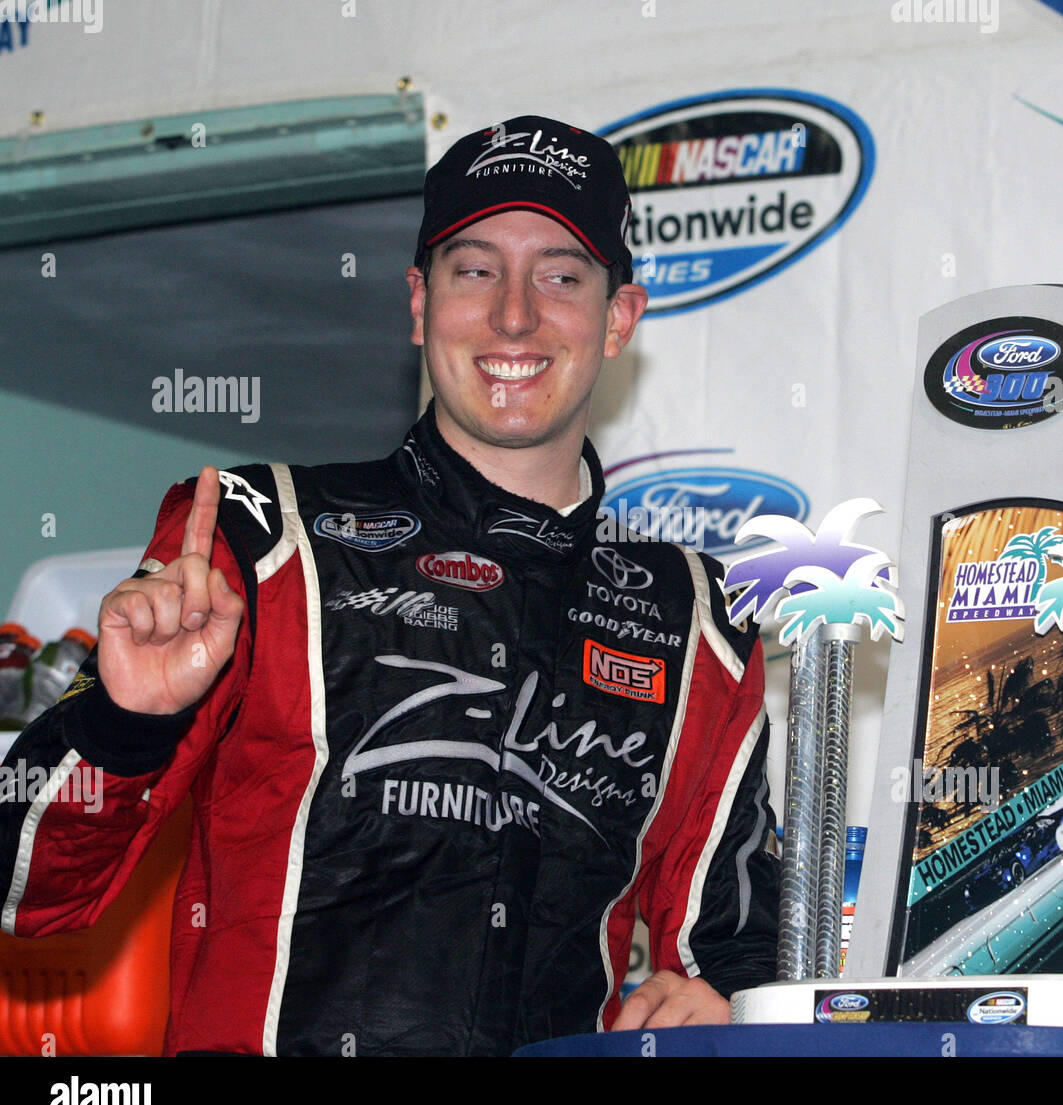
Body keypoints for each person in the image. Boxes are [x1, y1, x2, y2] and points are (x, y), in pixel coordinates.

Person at [0, 115, 780, 1055]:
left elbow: (733, 950)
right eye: (476, 269)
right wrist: (124, 720)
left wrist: (723, 1001)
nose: (515, 315)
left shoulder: (693, 617)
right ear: (419, 302)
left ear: (619, 317)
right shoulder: (260, 535)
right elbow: (28, 897)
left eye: (562, 275)